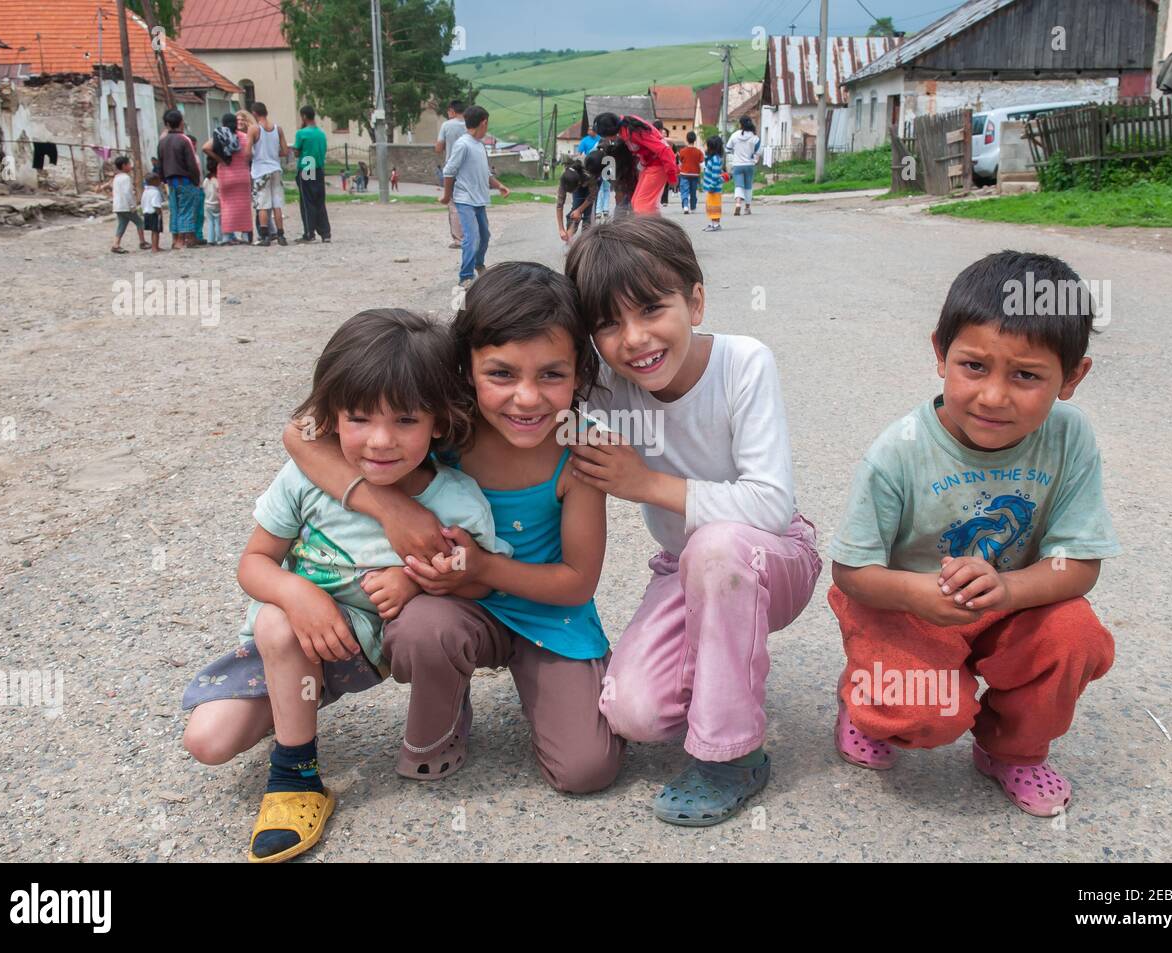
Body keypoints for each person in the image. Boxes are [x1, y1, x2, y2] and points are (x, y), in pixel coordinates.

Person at [282, 262, 624, 796]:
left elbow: (577, 582)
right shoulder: (443, 425)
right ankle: (441, 717)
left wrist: (484, 565)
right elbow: (300, 433)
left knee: (587, 771)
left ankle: (559, 684)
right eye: (502, 374)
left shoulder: (581, 450)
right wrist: (392, 509)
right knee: (423, 631)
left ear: (580, 373)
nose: (527, 398)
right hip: (455, 606)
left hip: (549, 617)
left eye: (551, 374)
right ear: (465, 369)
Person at [182, 309, 509, 862]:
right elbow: (255, 562)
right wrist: (296, 592)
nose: (380, 441)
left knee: (274, 622)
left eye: (406, 420)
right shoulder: (305, 480)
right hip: (291, 644)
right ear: (331, 415)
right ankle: (293, 711)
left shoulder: (456, 500)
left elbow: (478, 585)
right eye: (359, 418)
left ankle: (296, 778)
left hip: (363, 648)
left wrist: (416, 581)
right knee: (208, 743)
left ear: (440, 421)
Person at [826, 251, 1119, 817]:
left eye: (1027, 376)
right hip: (900, 603)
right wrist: (916, 595)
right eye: (974, 366)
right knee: (927, 716)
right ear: (940, 353)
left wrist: (1008, 591)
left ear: (1072, 377)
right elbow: (851, 572)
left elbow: (1079, 564)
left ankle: (1013, 750)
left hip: (1008, 604)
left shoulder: (1070, 437)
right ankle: (865, 692)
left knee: (1074, 635)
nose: (993, 397)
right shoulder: (898, 452)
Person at [565, 218, 822, 827]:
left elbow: (769, 504)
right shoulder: (604, 388)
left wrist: (645, 484)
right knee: (635, 715)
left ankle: (732, 756)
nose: (634, 339)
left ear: (696, 300)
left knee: (716, 548)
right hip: (684, 567)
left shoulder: (743, 363)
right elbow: (519, 397)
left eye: (653, 309)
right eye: (607, 323)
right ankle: (724, 671)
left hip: (772, 556)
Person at [440, 104, 510, 288]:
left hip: (479, 200)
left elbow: (486, 174)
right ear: (484, 122)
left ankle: (478, 263)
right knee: (472, 237)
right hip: (464, 200)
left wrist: (499, 185)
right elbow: (449, 171)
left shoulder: (479, 146)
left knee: (485, 236)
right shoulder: (463, 144)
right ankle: (465, 278)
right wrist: (447, 195)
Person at [591, 112, 678, 216]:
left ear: (610, 131)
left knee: (642, 207)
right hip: (647, 165)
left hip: (658, 164)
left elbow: (664, 150)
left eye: (605, 136)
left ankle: (650, 231)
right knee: (636, 203)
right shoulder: (625, 127)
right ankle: (659, 229)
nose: (607, 139)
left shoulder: (633, 132)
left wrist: (672, 176)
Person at [204, 112, 252, 244]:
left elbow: (205, 147)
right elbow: (250, 153)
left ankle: (227, 236)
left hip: (226, 175)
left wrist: (221, 160)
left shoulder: (220, 136)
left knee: (227, 206)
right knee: (244, 206)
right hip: (242, 175)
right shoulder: (244, 137)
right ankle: (245, 235)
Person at [157, 108, 202, 249]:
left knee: (174, 210)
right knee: (186, 210)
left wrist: (163, 179)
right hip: (186, 180)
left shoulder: (162, 142)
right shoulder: (184, 140)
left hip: (170, 181)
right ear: (181, 122)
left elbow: (160, 162)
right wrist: (196, 180)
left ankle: (175, 239)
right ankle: (183, 240)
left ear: (166, 124)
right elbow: (191, 163)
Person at [248, 101, 288, 246]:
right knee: (277, 204)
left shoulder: (254, 129)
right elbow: (285, 151)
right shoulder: (278, 129)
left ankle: (265, 236)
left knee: (263, 204)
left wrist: (256, 155)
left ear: (254, 113)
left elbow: (247, 152)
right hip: (275, 168)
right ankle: (281, 235)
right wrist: (273, 154)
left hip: (260, 170)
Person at [292, 104, 331, 243]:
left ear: (303, 116)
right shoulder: (321, 133)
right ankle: (325, 233)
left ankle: (309, 232)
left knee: (307, 201)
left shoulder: (301, 133)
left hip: (307, 166)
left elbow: (296, 151)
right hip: (319, 168)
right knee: (319, 200)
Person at [435, 100, 468, 248]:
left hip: (452, 168)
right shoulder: (470, 124)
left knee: (454, 205)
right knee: (470, 202)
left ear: (452, 111)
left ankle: (459, 239)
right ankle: (473, 236)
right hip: (469, 168)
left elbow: (439, 147)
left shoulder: (447, 125)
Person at [107, 155, 148, 254]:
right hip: (126, 206)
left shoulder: (116, 177)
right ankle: (142, 242)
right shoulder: (126, 178)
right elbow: (127, 193)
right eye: (129, 164)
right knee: (140, 222)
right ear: (124, 165)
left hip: (118, 206)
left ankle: (116, 244)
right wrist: (132, 206)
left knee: (122, 224)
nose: (131, 166)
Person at [726, 116, 761, 216]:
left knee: (738, 186)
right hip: (749, 165)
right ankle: (747, 208)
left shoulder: (734, 135)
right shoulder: (755, 137)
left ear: (740, 124)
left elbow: (727, 149)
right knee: (748, 187)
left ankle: (738, 204)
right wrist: (754, 159)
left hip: (737, 165)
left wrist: (735, 152)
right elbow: (759, 152)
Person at [555, 159, 595, 243]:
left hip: (590, 186)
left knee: (588, 215)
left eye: (572, 191)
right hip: (576, 182)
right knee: (575, 211)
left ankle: (586, 242)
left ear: (579, 183)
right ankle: (569, 239)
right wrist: (561, 229)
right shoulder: (565, 179)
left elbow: (592, 196)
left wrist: (580, 210)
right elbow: (559, 205)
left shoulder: (588, 175)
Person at [701, 134, 729, 232]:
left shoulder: (715, 159)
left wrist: (712, 186)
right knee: (710, 206)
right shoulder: (713, 158)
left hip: (713, 188)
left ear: (711, 147)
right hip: (711, 188)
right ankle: (712, 223)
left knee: (714, 207)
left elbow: (715, 175)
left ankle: (716, 225)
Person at [677, 130, 703, 214]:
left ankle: (685, 206)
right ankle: (693, 207)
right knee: (693, 191)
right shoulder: (699, 152)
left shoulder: (682, 151)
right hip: (695, 174)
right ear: (695, 140)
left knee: (684, 190)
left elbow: (680, 162)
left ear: (687, 139)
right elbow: (701, 162)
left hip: (684, 173)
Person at [141, 172, 165, 252]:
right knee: (156, 231)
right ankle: (155, 247)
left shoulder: (145, 191)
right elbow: (156, 204)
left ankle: (155, 246)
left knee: (153, 231)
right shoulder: (155, 192)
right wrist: (159, 213)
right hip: (154, 213)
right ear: (154, 181)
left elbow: (142, 202)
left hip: (146, 213)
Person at [203, 159, 222, 245]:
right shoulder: (217, 181)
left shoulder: (206, 180)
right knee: (218, 222)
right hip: (216, 204)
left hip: (207, 203)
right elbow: (219, 191)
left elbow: (203, 189)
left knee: (210, 222)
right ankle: (219, 239)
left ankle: (210, 239)